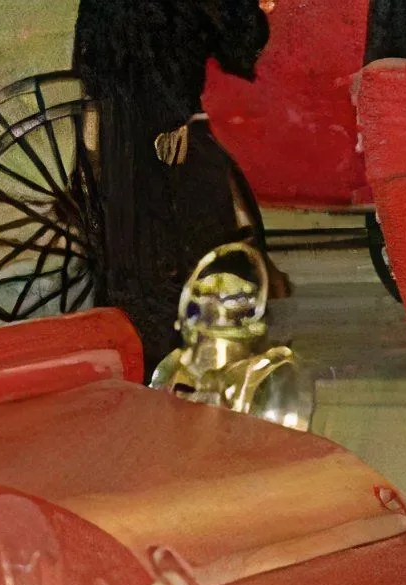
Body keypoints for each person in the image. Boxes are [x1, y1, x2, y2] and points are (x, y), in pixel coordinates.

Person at [72, 0, 274, 367]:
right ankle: (181, 341)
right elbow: (174, 34)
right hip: (152, 123)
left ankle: (155, 337)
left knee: (151, 232)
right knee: (188, 220)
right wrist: (174, 113)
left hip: (122, 115)